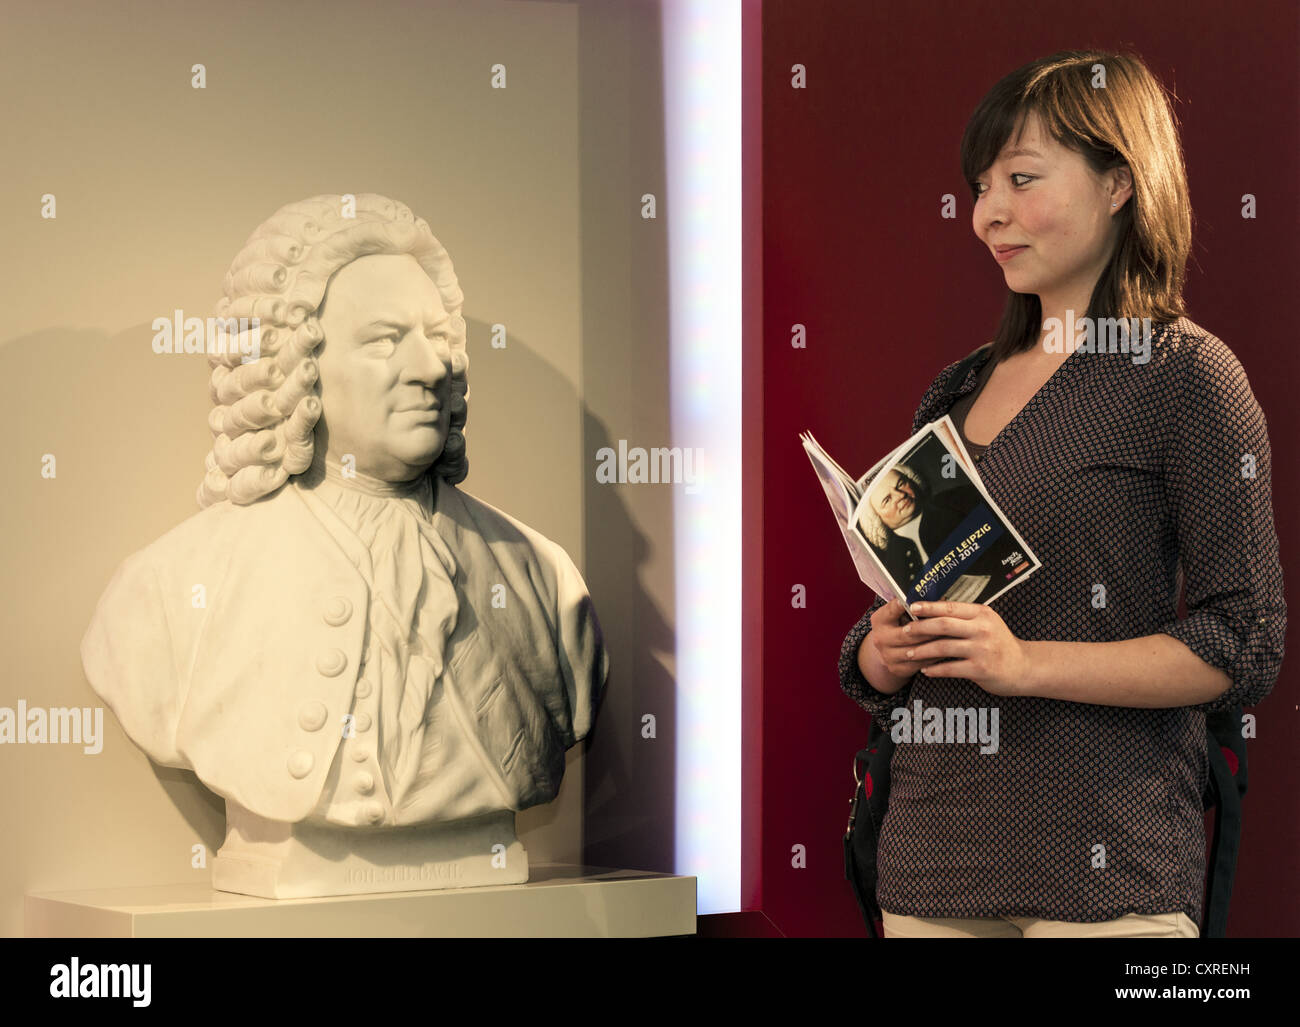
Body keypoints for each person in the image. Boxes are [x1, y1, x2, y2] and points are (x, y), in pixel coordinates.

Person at [839, 51, 1286, 938]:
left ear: (1120, 183)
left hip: (1108, 870)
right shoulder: (957, 389)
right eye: (980, 186)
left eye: (1021, 178)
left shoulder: (1187, 374)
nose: (987, 214)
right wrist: (877, 654)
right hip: (931, 862)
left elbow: (1245, 640)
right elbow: (922, 604)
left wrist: (1025, 662)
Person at [82, 194, 608, 832]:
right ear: (297, 369)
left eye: (439, 339)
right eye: (386, 341)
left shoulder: (545, 583)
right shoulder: (165, 591)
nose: (432, 368)